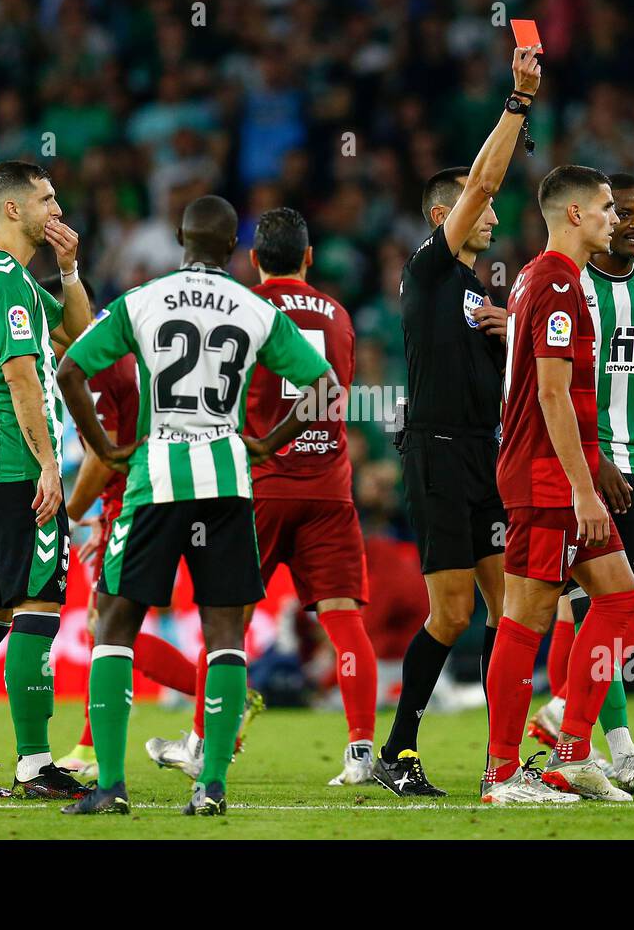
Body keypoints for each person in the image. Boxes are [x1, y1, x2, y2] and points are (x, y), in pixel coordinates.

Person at [56, 195, 335, 816]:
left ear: (181, 238)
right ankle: (211, 786)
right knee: (225, 633)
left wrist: (105, 446)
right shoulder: (254, 307)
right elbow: (325, 384)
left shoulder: (143, 299)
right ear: (236, 248)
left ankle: (109, 786)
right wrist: (266, 440)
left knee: (115, 626)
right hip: (228, 483)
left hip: (154, 483)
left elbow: (71, 370)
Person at [144, 207, 377, 786]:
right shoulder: (341, 316)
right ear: (309, 258)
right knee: (344, 620)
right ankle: (361, 752)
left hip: (258, 485)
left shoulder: (241, 308)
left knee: (230, 621)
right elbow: (332, 393)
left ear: (253, 259)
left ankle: (203, 741)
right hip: (329, 486)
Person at [373, 42, 541, 798]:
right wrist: (517, 103)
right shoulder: (430, 267)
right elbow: (484, 178)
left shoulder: (476, 293)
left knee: (511, 610)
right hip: (439, 451)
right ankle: (398, 750)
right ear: (447, 217)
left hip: (486, 454)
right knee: (450, 611)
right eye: (482, 207)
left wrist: (513, 336)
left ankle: (505, 758)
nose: (495, 212)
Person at [482, 164, 634, 804]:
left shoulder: (541, 278)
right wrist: (584, 489)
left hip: (555, 473)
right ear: (575, 214)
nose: (617, 218)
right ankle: (500, 775)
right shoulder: (554, 282)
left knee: (619, 602)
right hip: (546, 478)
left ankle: (573, 753)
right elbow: (551, 394)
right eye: (607, 208)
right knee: (526, 616)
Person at [0, 160, 93, 801]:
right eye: (46, 198)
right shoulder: (7, 283)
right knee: (37, 613)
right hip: (19, 468)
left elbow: (81, 334)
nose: (56, 208)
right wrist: (52, 465)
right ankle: (34, 764)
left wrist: (70, 272)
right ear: (11, 210)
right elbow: (25, 378)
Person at [528, 174, 634, 794]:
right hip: (572, 470)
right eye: (624, 212)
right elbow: (551, 385)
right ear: (597, 216)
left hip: (632, 473)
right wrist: (591, 464)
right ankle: (594, 745)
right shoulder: (569, 283)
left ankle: (574, 733)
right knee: (570, 607)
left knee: (617, 608)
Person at [54, 344, 215, 782]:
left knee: (105, 626)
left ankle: (219, 703)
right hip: (138, 500)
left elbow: (107, 458)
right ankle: (219, 701)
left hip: (133, 505)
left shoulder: (93, 371)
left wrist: (82, 517)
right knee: (104, 624)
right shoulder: (117, 364)